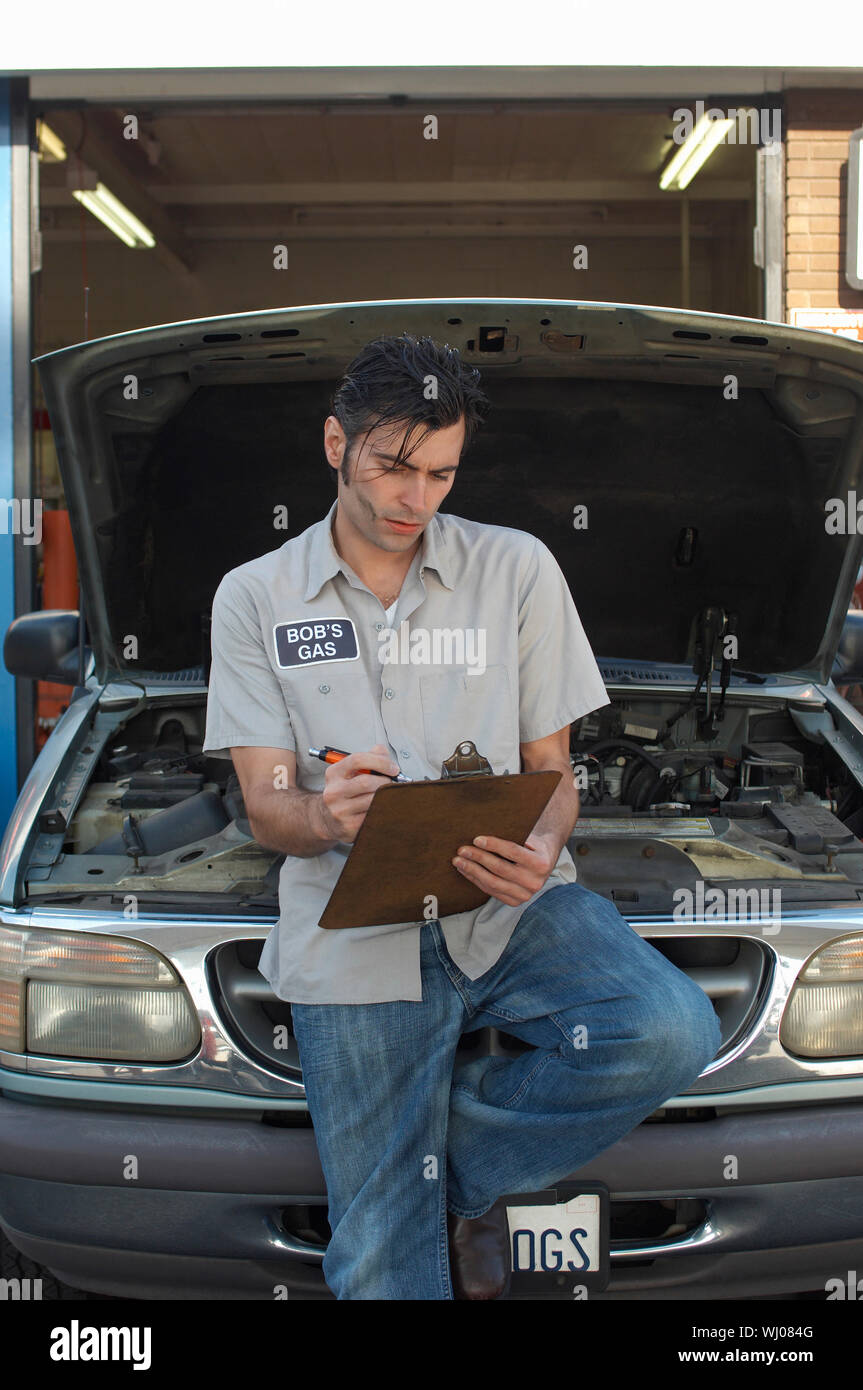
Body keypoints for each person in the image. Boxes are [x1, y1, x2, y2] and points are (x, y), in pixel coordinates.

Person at [203, 332, 721, 1301]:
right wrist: (323, 815)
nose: (416, 499)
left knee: (665, 1028)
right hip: (351, 929)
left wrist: (543, 842)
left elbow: (551, 772)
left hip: (506, 903)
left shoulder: (515, 569)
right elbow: (265, 804)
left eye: (440, 473)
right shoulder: (254, 597)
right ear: (334, 443)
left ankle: (444, 1171)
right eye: (393, 467)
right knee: (381, 1271)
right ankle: (403, 1200)